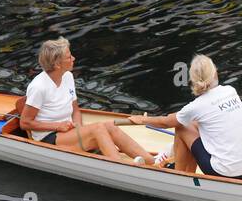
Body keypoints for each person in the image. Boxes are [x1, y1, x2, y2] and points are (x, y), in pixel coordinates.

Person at [21, 39, 157, 164]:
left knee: (109, 126)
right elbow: (25, 123)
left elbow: (75, 109)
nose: (73, 58)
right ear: (57, 64)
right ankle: (120, 166)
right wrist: (57, 126)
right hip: (49, 136)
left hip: (68, 130)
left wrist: (79, 127)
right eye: (69, 57)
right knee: (98, 128)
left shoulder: (67, 76)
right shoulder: (39, 87)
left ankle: (152, 162)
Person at [129, 56, 242, 178]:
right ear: (215, 73)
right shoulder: (230, 90)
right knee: (190, 123)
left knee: (182, 126)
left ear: (193, 80)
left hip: (223, 171)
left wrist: (143, 120)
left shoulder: (197, 106)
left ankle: (179, 175)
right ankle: (180, 166)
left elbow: (166, 123)